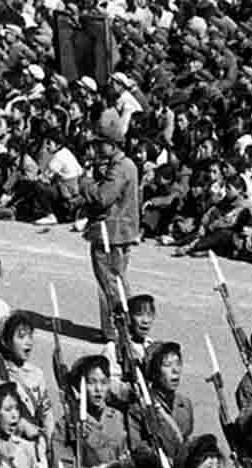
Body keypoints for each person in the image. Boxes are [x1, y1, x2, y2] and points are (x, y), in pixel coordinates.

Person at [75, 109, 140, 342]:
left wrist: (86, 182)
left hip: (110, 233)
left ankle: (119, 330)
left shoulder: (119, 168)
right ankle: (121, 328)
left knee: (110, 283)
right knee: (117, 280)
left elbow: (103, 197)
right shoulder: (125, 165)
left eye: (101, 144)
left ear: (112, 144)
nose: (97, 148)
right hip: (120, 231)